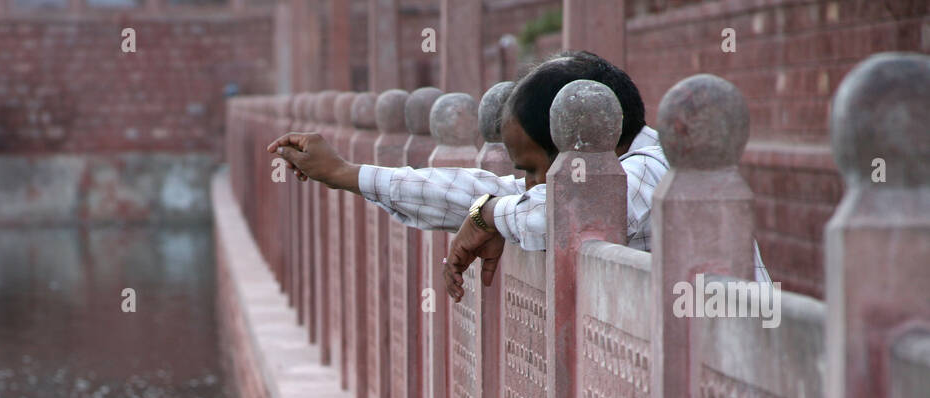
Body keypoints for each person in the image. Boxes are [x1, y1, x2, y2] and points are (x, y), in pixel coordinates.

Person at [267, 50, 769, 302]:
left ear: (585, 133)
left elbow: (560, 211)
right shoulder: (613, 165)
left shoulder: (652, 170)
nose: (526, 184)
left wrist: (488, 216)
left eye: (532, 168)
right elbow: (497, 193)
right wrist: (349, 174)